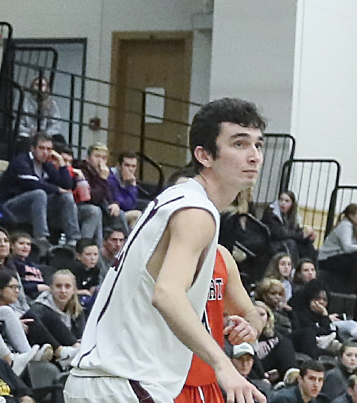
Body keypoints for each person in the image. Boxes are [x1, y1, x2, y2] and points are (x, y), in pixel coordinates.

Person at [64, 98, 271, 403]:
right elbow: (167, 294)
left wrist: (250, 323)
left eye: (258, 145)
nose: (253, 156)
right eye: (239, 144)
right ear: (204, 155)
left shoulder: (180, 201)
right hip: (125, 383)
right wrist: (222, 363)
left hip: (110, 381)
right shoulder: (195, 211)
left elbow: (246, 310)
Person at [176, 245, 266, 403]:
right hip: (166, 380)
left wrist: (250, 327)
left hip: (208, 380)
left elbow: (250, 312)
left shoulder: (221, 255)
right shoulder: (162, 253)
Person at [0, 135, 82, 245]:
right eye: (41, 148)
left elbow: (66, 185)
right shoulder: (21, 161)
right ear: (32, 148)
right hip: (11, 205)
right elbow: (31, 184)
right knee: (39, 193)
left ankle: (73, 240)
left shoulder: (47, 164)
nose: (45, 152)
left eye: (49, 149)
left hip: (36, 206)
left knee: (66, 197)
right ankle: (41, 238)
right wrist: (56, 189)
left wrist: (62, 163)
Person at [318, 204, 357, 291]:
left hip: (342, 257)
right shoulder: (345, 225)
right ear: (351, 215)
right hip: (327, 259)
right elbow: (347, 248)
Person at [263, 190, 320, 260]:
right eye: (281, 200)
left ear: (292, 204)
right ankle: (293, 269)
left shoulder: (292, 216)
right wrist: (302, 235)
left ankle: (309, 268)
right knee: (291, 243)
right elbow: (279, 234)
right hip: (272, 242)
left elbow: (295, 232)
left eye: (287, 201)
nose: (283, 203)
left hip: (285, 241)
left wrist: (308, 237)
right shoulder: (271, 212)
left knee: (308, 246)